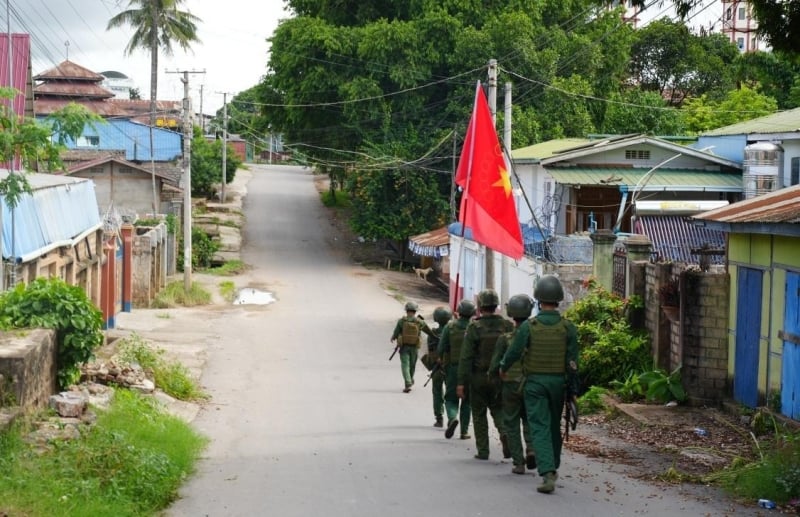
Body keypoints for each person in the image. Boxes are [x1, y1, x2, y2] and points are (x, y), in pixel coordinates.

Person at [499, 275, 579, 494]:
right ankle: (553, 464)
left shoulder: (529, 327)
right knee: (554, 425)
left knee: (540, 426)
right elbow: (572, 363)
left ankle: (548, 473)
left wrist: (503, 367)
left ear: (538, 299)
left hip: (534, 384)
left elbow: (514, 352)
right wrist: (573, 390)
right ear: (559, 299)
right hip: (558, 384)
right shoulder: (568, 328)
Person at [457, 289, 514, 460]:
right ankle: (504, 432)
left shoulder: (474, 327)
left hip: (479, 377)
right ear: (496, 305)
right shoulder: (507, 326)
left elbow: (465, 357)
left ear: (480, 306)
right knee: (498, 408)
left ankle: (483, 451)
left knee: (479, 413)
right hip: (500, 376)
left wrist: (461, 382)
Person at [489, 294, 537, 475]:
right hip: (530, 383)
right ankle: (531, 449)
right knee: (529, 418)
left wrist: (494, 379)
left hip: (509, 385)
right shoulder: (535, 335)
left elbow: (495, 365)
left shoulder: (505, 338)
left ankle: (518, 462)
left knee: (511, 422)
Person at [437, 299, 475, 440]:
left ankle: (452, 417)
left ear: (458, 311)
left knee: (451, 398)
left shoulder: (450, 327)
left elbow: (441, 348)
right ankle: (464, 432)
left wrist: (440, 359)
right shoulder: (474, 327)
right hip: (471, 369)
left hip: (454, 368)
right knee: (467, 400)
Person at [390, 301, 434, 392]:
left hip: (404, 347)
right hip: (414, 347)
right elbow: (429, 332)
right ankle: (410, 380)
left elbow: (396, 332)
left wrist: (393, 338)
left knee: (405, 365)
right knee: (412, 365)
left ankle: (408, 382)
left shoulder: (402, 321)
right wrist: (435, 337)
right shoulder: (419, 322)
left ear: (406, 310)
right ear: (415, 311)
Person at [421, 306, 452, 427]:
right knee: (450, 392)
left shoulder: (432, 334)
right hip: (449, 366)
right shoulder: (452, 331)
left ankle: (439, 418)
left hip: (437, 368)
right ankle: (451, 416)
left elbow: (430, 351)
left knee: (437, 391)